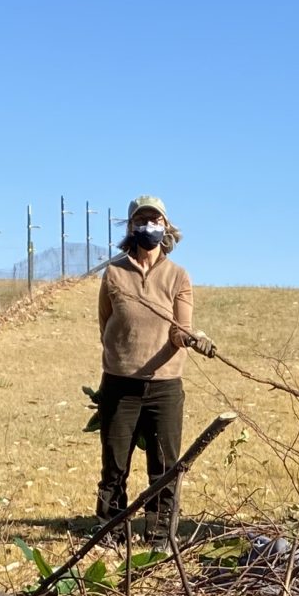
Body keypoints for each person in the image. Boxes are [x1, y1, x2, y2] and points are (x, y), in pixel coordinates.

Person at [92, 194, 211, 545]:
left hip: (164, 386)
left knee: (166, 467)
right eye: (143, 220)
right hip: (119, 384)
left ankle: (159, 538)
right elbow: (106, 325)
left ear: (166, 227)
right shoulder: (114, 273)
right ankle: (111, 532)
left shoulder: (178, 276)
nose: (150, 226)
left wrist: (193, 338)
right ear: (131, 227)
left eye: (156, 221)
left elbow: (179, 330)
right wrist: (122, 357)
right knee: (114, 466)